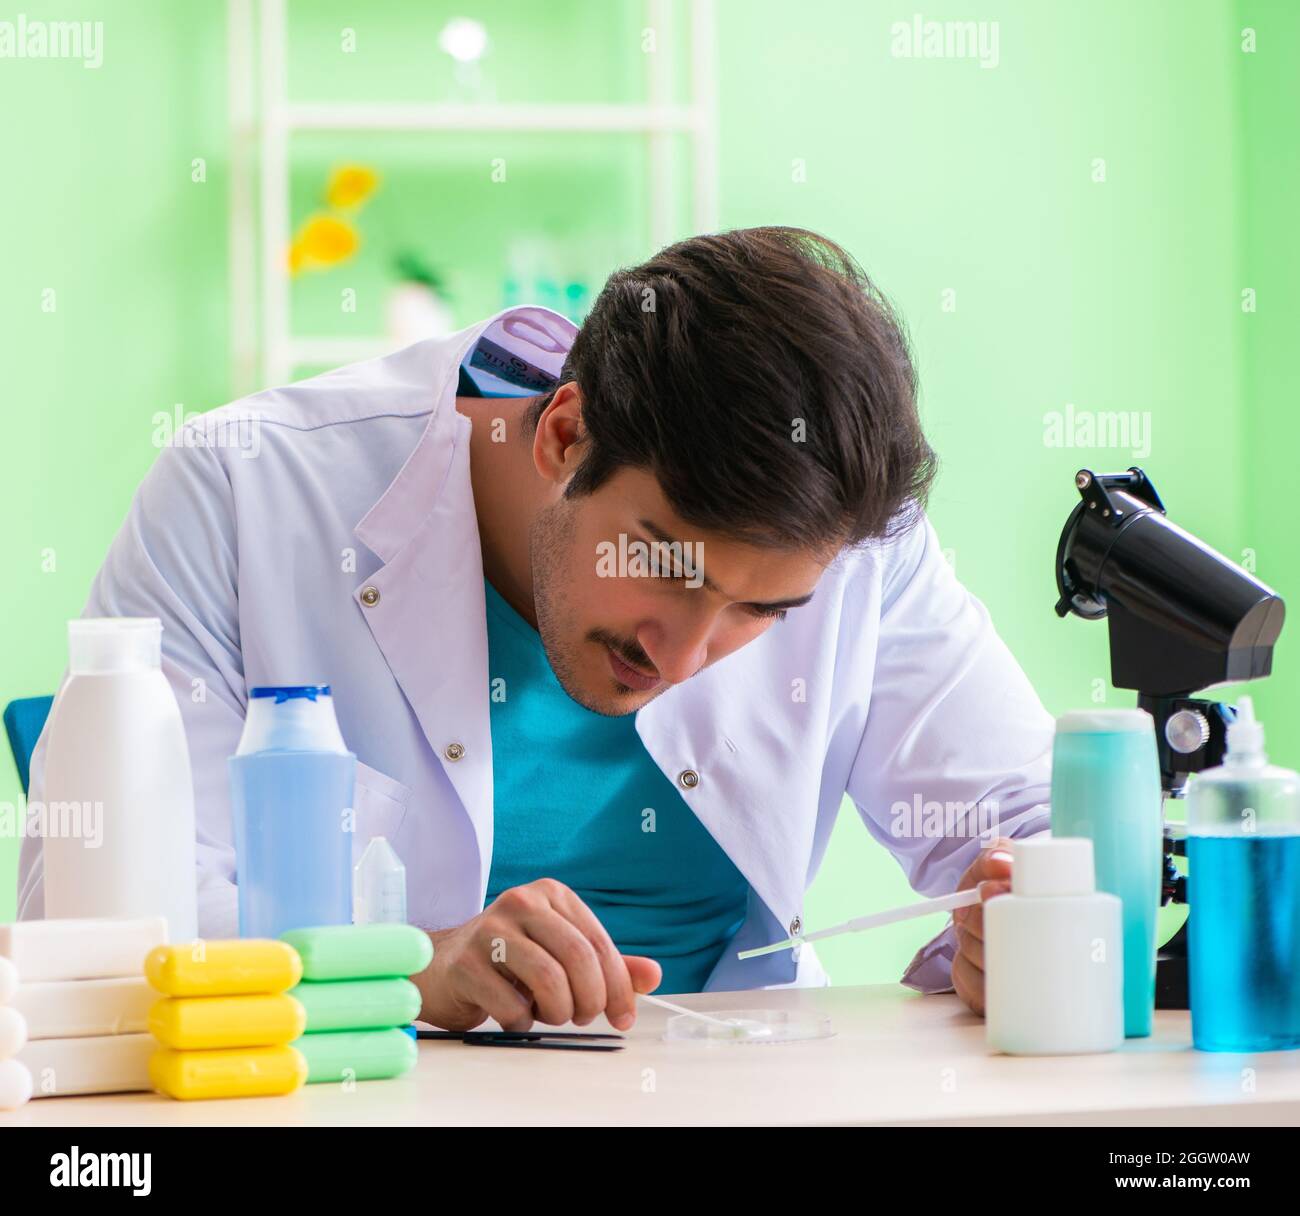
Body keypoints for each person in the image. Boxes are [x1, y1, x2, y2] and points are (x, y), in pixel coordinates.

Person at [20, 227, 1048, 1031]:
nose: (684, 657)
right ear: (563, 433)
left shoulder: (858, 542)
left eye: (758, 613)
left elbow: (1032, 822)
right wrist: (407, 965)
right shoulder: (244, 487)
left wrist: (1009, 927)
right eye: (662, 564)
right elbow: (86, 918)